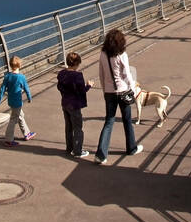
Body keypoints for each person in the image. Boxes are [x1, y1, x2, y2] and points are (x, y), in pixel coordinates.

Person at [94, 29, 143, 163]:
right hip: (123, 91)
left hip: (109, 92)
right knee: (127, 120)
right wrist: (133, 87)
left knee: (109, 121)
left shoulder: (103, 54)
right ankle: (131, 148)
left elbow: (101, 74)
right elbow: (127, 74)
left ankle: (101, 154)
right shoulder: (122, 54)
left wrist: (105, 90)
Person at [56, 52, 91, 158]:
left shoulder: (61, 74)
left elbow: (59, 87)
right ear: (76, 63)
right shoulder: (77, 76)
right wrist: (88, 86)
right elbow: (81, 91)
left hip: (65, 103)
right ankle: (77, 151)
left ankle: (69, 147)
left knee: (68, 126)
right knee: (78, 127)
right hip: (74, 105)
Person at [0, 55, 36, 147]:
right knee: (13, 119)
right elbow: (26, 88)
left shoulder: (7, 76)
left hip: (11, 101)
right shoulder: (21, 77)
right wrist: (29, 97)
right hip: (18, 102)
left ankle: (27, 133)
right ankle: (9, 139)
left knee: (20, 115)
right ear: (20, 65)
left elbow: (2, 89)